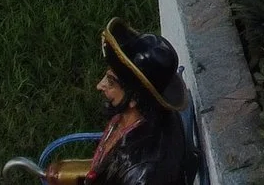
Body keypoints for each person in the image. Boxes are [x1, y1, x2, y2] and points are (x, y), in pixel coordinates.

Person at [43, 20, 197, 184]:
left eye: (110, 82)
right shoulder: (141, 114)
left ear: (135, 98)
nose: (99, 85)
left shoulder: (143, 174)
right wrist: (68, 173)